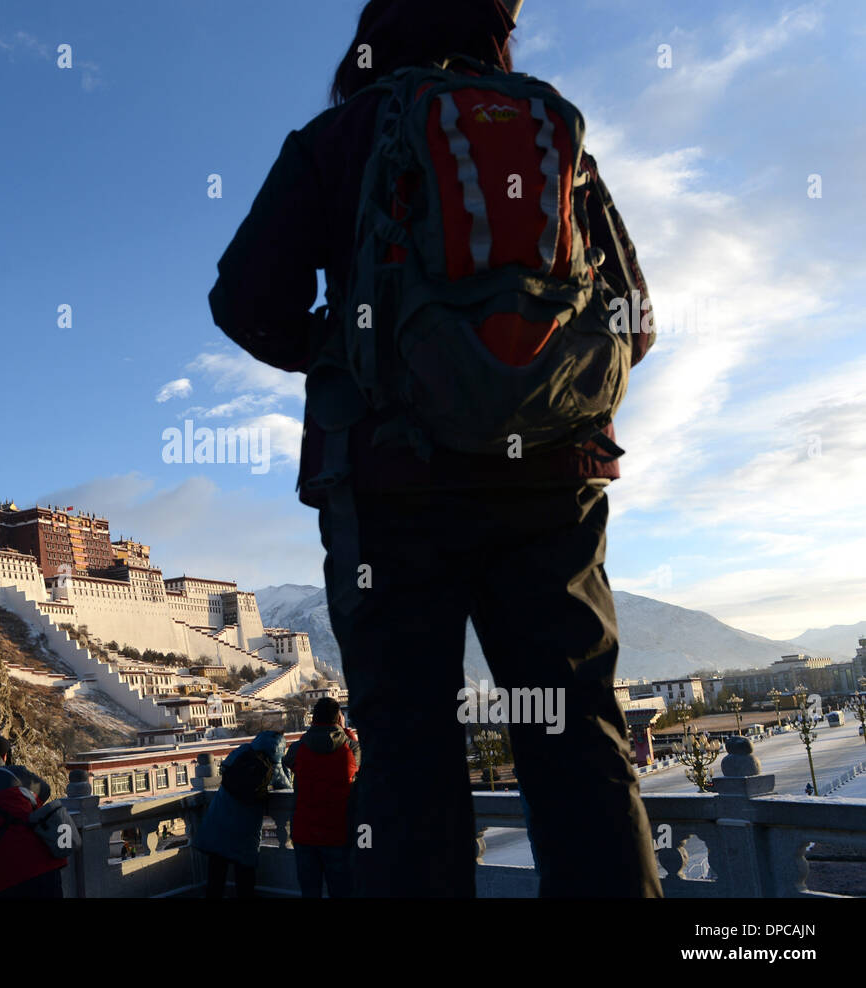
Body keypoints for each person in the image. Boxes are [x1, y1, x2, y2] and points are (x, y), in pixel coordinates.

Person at [208, 0, 661, 897]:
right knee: (580, 737)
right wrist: (537, 375)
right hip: (551, 486)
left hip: (389, 485)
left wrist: (353, 352)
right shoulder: (550, 128)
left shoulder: (337, 138)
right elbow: (635, 318)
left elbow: (243, 301)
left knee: (409, 750)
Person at [0, 734, 66, 898]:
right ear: (5, 756)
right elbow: (44, 792)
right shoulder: (14, 774)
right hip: (39, 863)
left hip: (2, 875)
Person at [191, 730, 292, 898]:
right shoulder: (274, 764)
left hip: (219, 820)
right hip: (245, 828)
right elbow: (286, 787)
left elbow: (224, 769)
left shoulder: (242, 751)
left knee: (215, 879)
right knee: (244, 880)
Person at [283, 698, 360, 897]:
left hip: (304, 833)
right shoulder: (350, 748)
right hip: (338, 833)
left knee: (310, 891)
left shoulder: (299, 748)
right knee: (341, 890)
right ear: (338, 718)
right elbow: (360, 760)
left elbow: (288, 761)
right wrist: (346, 732)